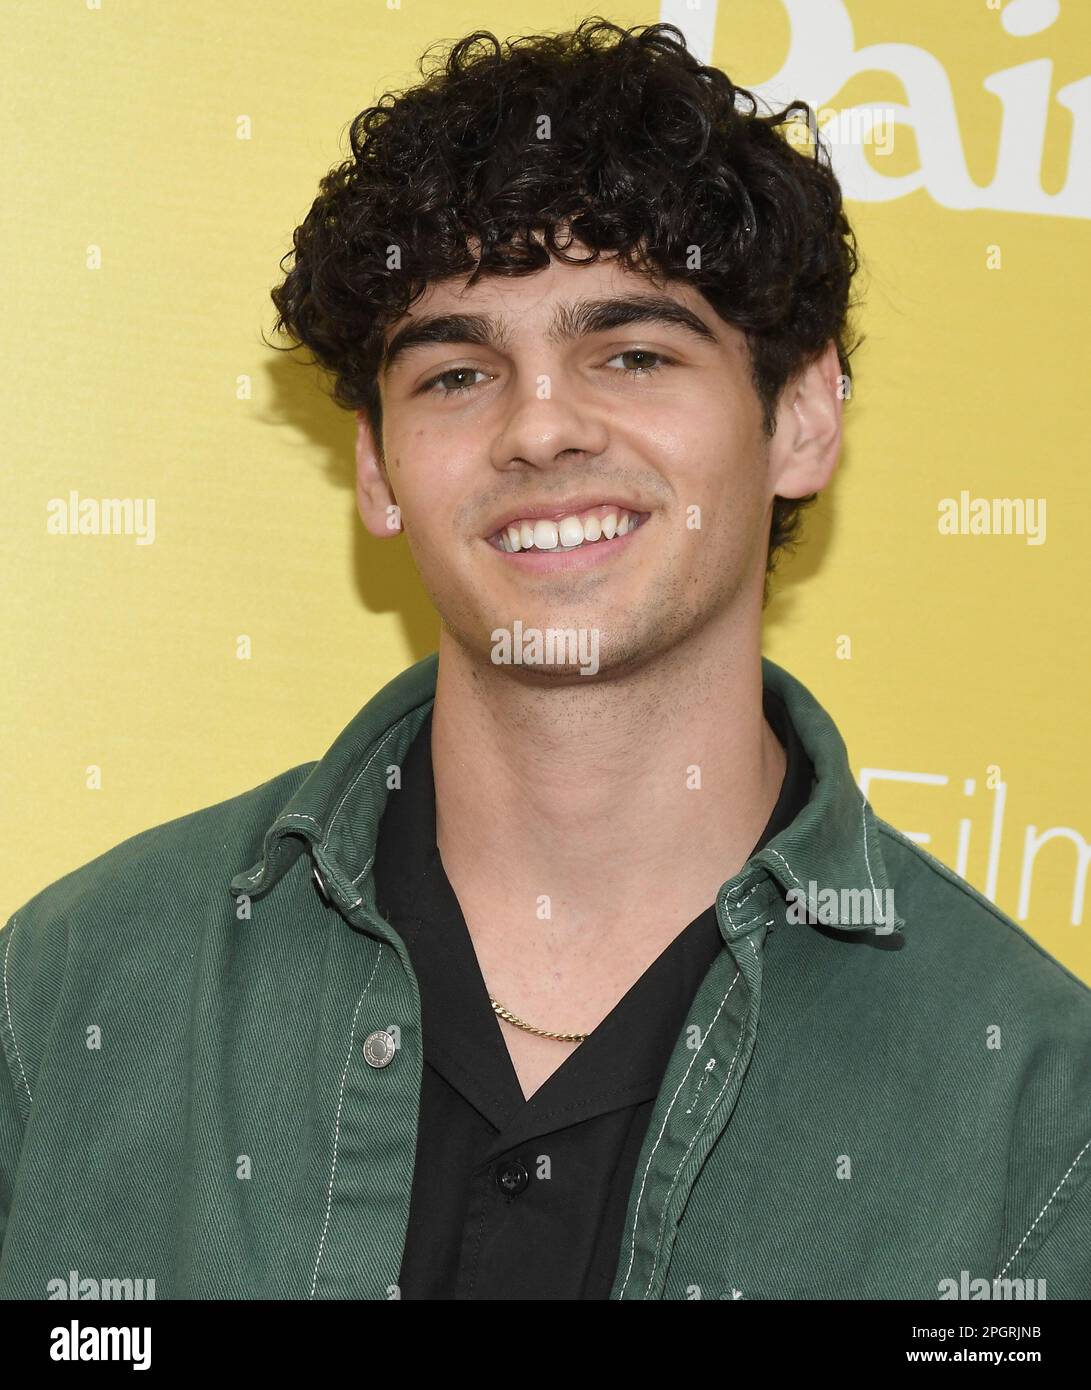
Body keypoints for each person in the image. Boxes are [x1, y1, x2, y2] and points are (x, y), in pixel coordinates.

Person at [2, 18, 1088, 1302]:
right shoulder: (79, 993)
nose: (540, 426)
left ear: (799, 417)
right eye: (458, 373)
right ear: (376, 467)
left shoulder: (1031, 1116)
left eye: (630, 353)